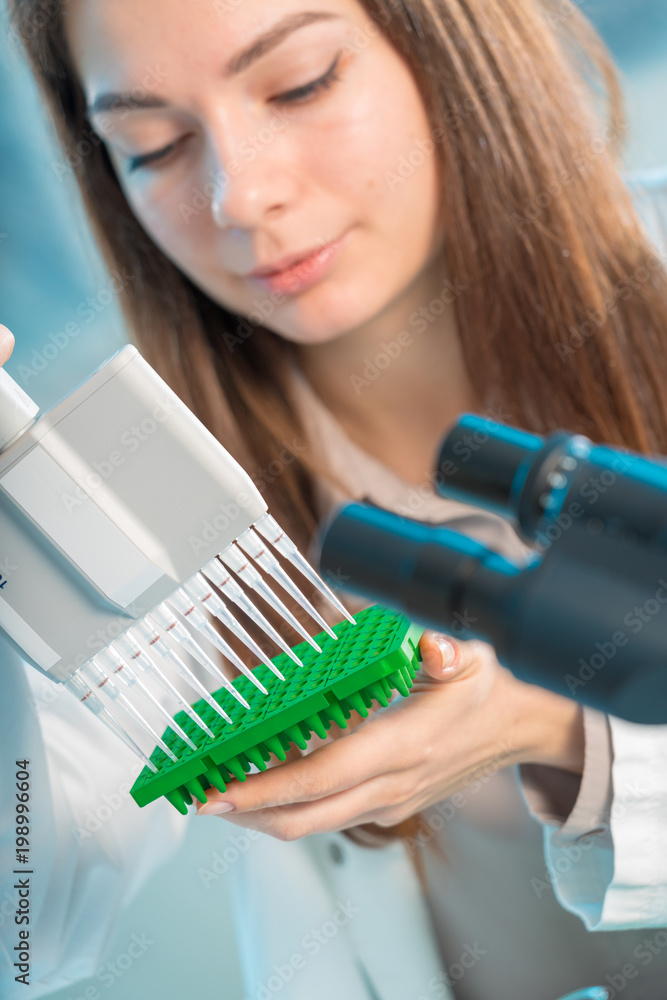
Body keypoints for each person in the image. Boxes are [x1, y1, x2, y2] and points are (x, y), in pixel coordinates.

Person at [3, 1, 667, 997]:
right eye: (154, 145)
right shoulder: (145, 506)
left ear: (450, 41)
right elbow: (29, 930)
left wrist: (562, 729)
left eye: (301, 82)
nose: (242, 193)